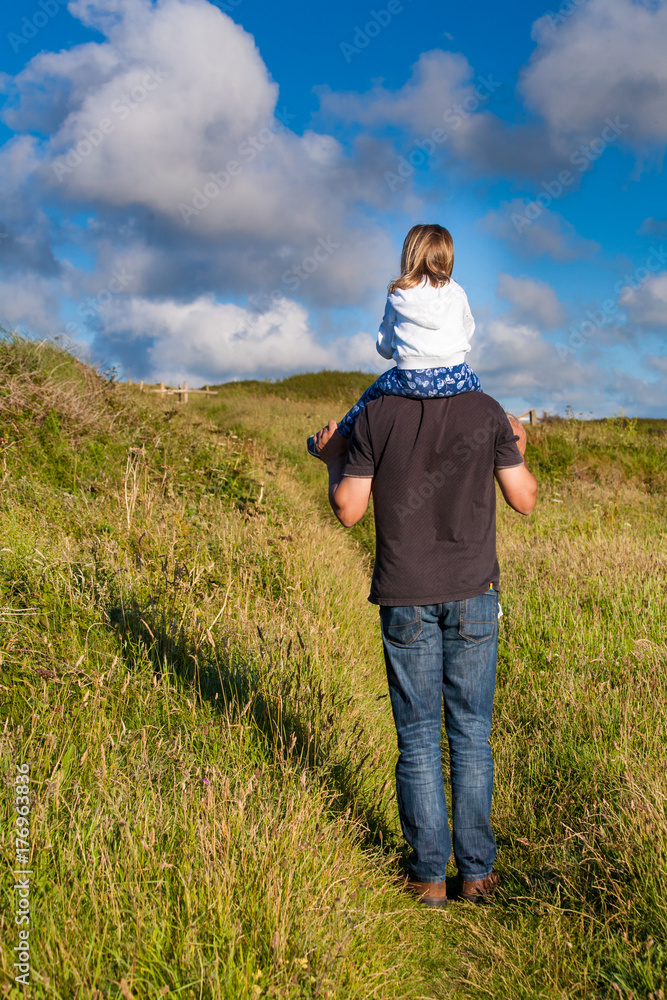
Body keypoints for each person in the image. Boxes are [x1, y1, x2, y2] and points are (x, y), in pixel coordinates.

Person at [308, 387, 537, 907]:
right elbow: (524, 499)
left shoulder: (374, 413)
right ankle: (478, 875)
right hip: (474, 596)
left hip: (404, 597)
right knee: (472, 737)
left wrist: (332, 461)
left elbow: (348, 510)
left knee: (416, 740)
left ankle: (428, 878)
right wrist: (515, 446)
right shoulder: (487, 411)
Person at [307, 224, 481, 457]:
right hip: (456, 375)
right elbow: (468, 329)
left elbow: (385, 348)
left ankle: (335, 439)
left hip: (411, 378)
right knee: (484, 402)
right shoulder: (457, 291)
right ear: (448, 257)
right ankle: (505, 430)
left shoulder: (398, 292)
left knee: (369, 397)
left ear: (409, 254)